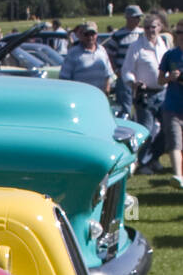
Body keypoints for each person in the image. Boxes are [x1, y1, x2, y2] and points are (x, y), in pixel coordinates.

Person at [122, 16, 170, 168]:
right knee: (146, 130)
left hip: (163, 92)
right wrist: (134, 82)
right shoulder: (136, 47)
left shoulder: (163, 44)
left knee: (168, 128)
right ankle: (141, 162)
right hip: (145, 94)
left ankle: (153, 158)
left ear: (160, 27)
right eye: (148, 27)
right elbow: (127, 70)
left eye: (154, 27)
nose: (151, 30)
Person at [60, 22, 113, 93]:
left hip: (99, 95)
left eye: (92, 34)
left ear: (96, 35)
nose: (90, 37)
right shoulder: (73, 53)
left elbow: (108, 73)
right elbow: (64, 78)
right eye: (86, 34)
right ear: (81, 35)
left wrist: (107, 89)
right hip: (80, 96)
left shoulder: (102, 50)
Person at [158, 33, 183, 186]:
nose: (181, 36)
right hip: (172, 105)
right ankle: (178, 176)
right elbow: (159, 80)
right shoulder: (170, 55)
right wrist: (170, 78)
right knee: (175, 141)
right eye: (179, 33)